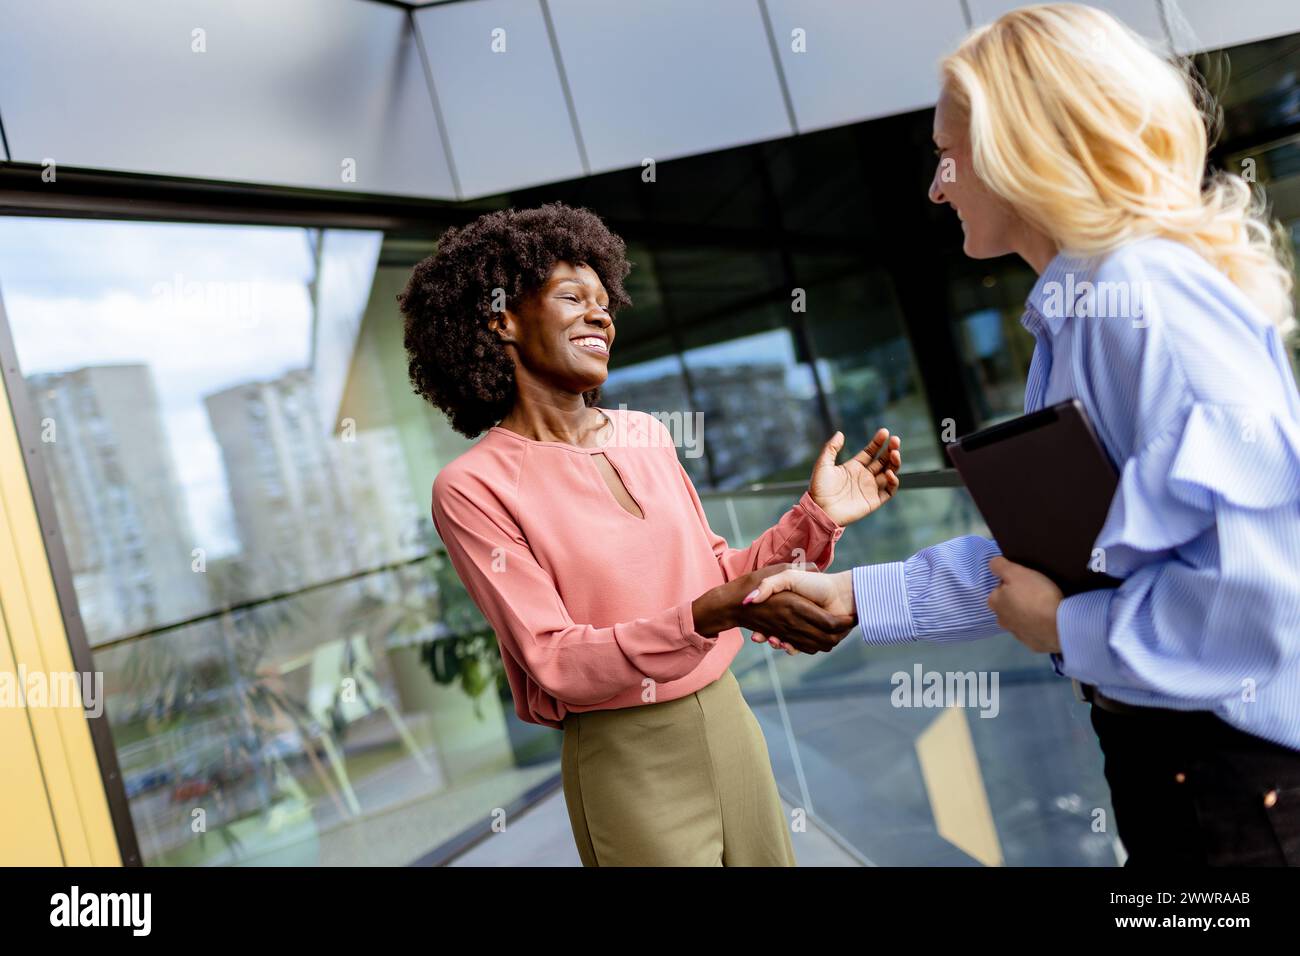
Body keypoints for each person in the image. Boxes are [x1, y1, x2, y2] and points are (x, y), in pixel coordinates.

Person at [746, 4, 1300, 866]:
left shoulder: (1145, 302)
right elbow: (1058, 569)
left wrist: (1068, 630)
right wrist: (859, 597)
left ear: (1019, 147)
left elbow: (1258, 604)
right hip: (1177, 771)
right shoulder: (1082, 316)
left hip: (1237, 789)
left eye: (946, 154)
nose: (936, 186)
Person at [399, 203, 901, 866]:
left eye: (605, 301)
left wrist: (817, 516)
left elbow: (720, 578)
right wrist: (705, 614)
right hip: (626, 757)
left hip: (729, 721)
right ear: (503, 319)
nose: (600, 314)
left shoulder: (646, 434)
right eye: (571, 297)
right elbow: (554, 658)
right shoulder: (473, 486)